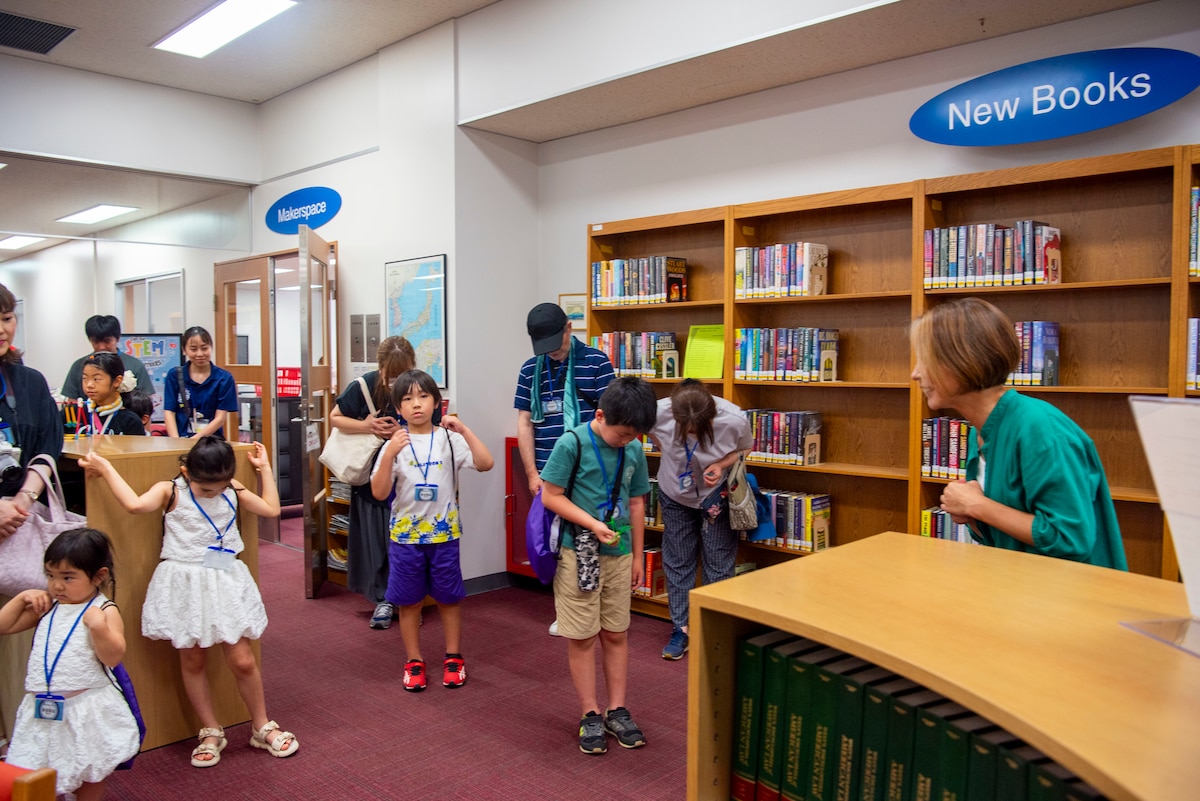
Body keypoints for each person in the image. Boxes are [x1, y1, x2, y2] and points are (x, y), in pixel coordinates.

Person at [78, 437, 300, 766]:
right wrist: (107, 467)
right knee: (192, 660)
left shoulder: (232, 488)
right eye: (204, 488)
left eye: (218, 487)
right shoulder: (171, 491)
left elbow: (270, 509)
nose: (212, 493)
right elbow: (135, 505)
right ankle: (210, 729)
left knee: (242, 659)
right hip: (184, 584)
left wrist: (266, 469)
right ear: (186, 471)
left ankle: (261, 725)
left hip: (223, 581)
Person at [911, 297, 1127, 569]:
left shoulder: (1039, 427)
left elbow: (1070, 539)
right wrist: (971, 513)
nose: (915, 373)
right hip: (1020, 587)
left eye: (924, 361)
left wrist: (977, 507)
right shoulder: (979, 429)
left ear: (960, 362)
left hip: (1071, 597)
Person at [539, 376, 656, 755]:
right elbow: (550, 496)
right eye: (622, 434)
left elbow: (637, 503)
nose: (627, 441)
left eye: (634, 436)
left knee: (617, 632)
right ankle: (589, 711)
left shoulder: (633, 449)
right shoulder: (571, 443)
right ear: (600, 415)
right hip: (579, 552)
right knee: (583, 635)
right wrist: (592, 524)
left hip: (619, 554)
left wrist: (638, 556)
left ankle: (616, 709)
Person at [371, 369, 493, 692]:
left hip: (444, 537)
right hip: (406, 538)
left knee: (449, 599)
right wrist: (389, 455)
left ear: (436, 402)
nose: (416, 405)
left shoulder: (448, 439)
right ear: (398, 408)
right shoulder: (394, 444)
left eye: (423, 397)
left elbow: (486, 462)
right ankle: (414, 661)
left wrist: (464, 429)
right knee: (408, 602)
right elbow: (380, 492)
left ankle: (454, 657)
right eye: (407, 399)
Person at [0, 528, 140, 800]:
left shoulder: (105, 609)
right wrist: (20, 599)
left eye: (67, 577)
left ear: (99, 576)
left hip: (84, 708)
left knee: (89, 770)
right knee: (38, 772)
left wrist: (99, 628)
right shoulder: (50, 606)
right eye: (50, 575)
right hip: (43, 708)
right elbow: (3, 626)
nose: (56, 586)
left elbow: (113, 657)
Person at [514, 302, 615, 635]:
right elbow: (525, 423)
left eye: (556, 344)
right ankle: (567, 611)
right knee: (555, 545)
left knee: (589, 542)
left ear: (569, 328)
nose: (552, 353)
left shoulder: (596, 362)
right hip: (547, 476)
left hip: (588, 473)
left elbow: (610, 420)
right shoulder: (531, 369)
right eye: (545, 348)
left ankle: (597, 610)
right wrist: (531, 474)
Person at [648, 379, 752, 660]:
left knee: (718, 560)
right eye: (687, 429)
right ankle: (681, 628)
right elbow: (640, 430)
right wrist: (662, 447)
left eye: (698, 429)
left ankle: (712, 628)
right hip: (674, 492)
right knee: (678, 558)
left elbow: (744, 449)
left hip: (715, 494)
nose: (692, 433)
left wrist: (719, 465)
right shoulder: (657, 411)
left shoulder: (734, 418)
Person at [0, 283, 62, 750]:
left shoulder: (29, 381)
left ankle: (23, 747)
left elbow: (47, 445)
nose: (2, 329)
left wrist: (23, 497)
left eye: (6, 317)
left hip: (21, 520)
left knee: (30, 633)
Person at [329, 336, 414, 629]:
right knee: (378, 541)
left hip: (410, 477)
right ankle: (384, 600)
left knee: (404, 541)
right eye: (391, 376)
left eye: (402, 374)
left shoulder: (419, 387)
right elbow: (335, 418)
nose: (396, 382)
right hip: (371, 477)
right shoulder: (364, 386)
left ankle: (407, 598)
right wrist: (369, 425)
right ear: (380, 368)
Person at [163, 326, 238, 439]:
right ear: (184, 350)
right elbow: (169, 412)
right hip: (181, 440)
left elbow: (220, 418)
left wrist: (195, 440)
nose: (200, 354)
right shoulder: (174, 376)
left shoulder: (224, 378)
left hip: (211, 444)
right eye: (193, 349)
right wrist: (176, 442)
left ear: (211, 348)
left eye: (204, 348)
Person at [59, 315, 154, 400]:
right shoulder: (79, 366)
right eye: (96, 341)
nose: (101, 347)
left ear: (118, 338)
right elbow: (72, 402)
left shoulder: (134, 365)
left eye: (107, 341)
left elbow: (146, 403)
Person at [77, 351, 145, 435]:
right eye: (85, 378)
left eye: (96, 379)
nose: (89, 385)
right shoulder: (74, 413)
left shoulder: (130, 421)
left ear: (117, 381)